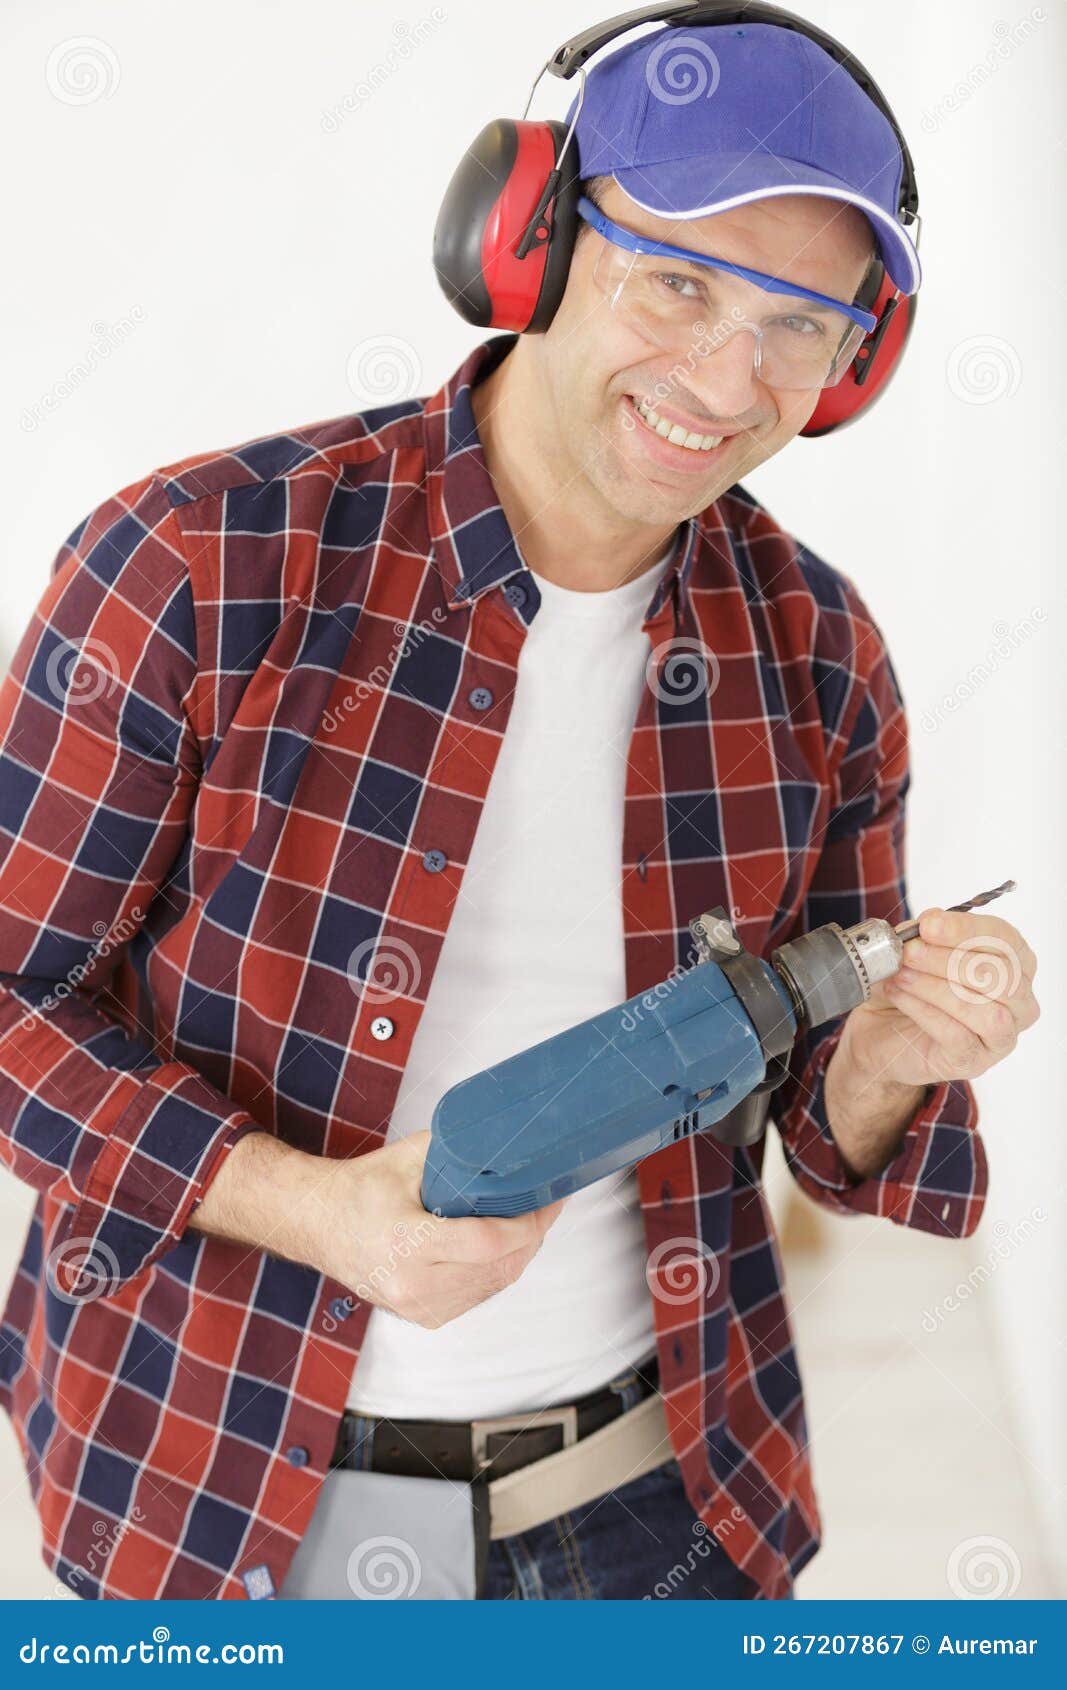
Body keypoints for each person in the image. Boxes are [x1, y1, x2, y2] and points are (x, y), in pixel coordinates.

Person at [0, 15, 1039, 1603]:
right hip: (215, 1499)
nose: (723, 379)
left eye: (798, 325)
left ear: (859, 361)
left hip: (662, 1512)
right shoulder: (202, 565)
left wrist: (888, 1060)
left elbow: (833, 1138)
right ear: (530, 240)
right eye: (677, 281)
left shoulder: (819, 660)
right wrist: (316, 1210)